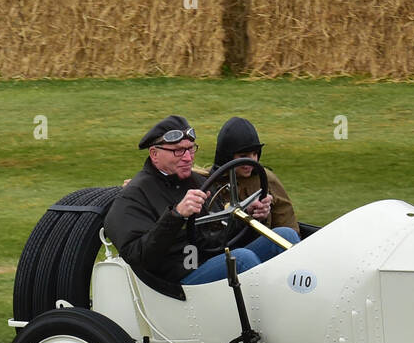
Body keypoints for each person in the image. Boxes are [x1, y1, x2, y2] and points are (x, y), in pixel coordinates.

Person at [103, 115, 298, 288]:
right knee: (242, 260)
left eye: (190, 149)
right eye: (178, 151)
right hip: (177, 279)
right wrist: (176, 216)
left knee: (285, 236)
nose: (188, 158)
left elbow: (218, 237)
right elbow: (138, 257)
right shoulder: (134, 195)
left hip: (210, 258)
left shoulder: (199, 182)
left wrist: (250, 217)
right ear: (154, 154)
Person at [210, 117, 300, 238]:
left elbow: (288, 224)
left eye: (255, 153)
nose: (252, 160)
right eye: (243, 156)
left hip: (263, 246)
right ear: (227, 157)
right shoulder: (208, 183)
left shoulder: (266, 179)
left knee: (288, 235)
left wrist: (263, 215)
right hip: (228, 249)